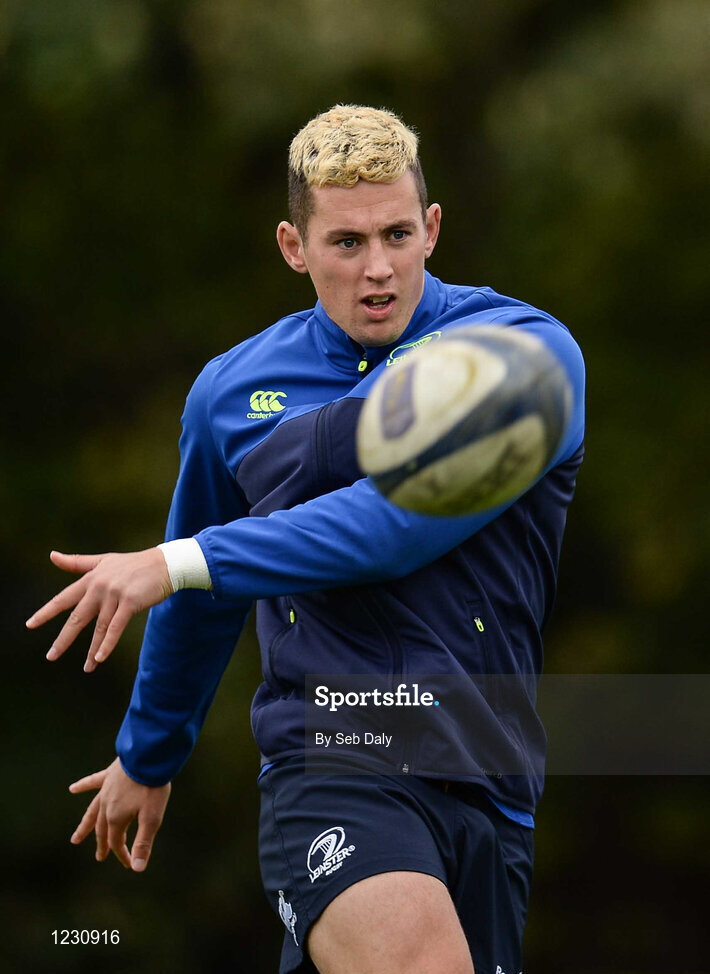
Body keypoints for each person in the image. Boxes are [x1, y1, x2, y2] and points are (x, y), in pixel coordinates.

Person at [27, 105, 585, 974]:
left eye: (398, 234)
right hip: (331, 760)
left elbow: (395, 525)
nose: (380, 269)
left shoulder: (521, 354)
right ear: (295, 246)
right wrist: (149, 752)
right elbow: (206, 605)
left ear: (433, 228)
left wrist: (179, 563)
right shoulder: (230, 394)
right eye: (347, 243)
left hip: (492, 784)